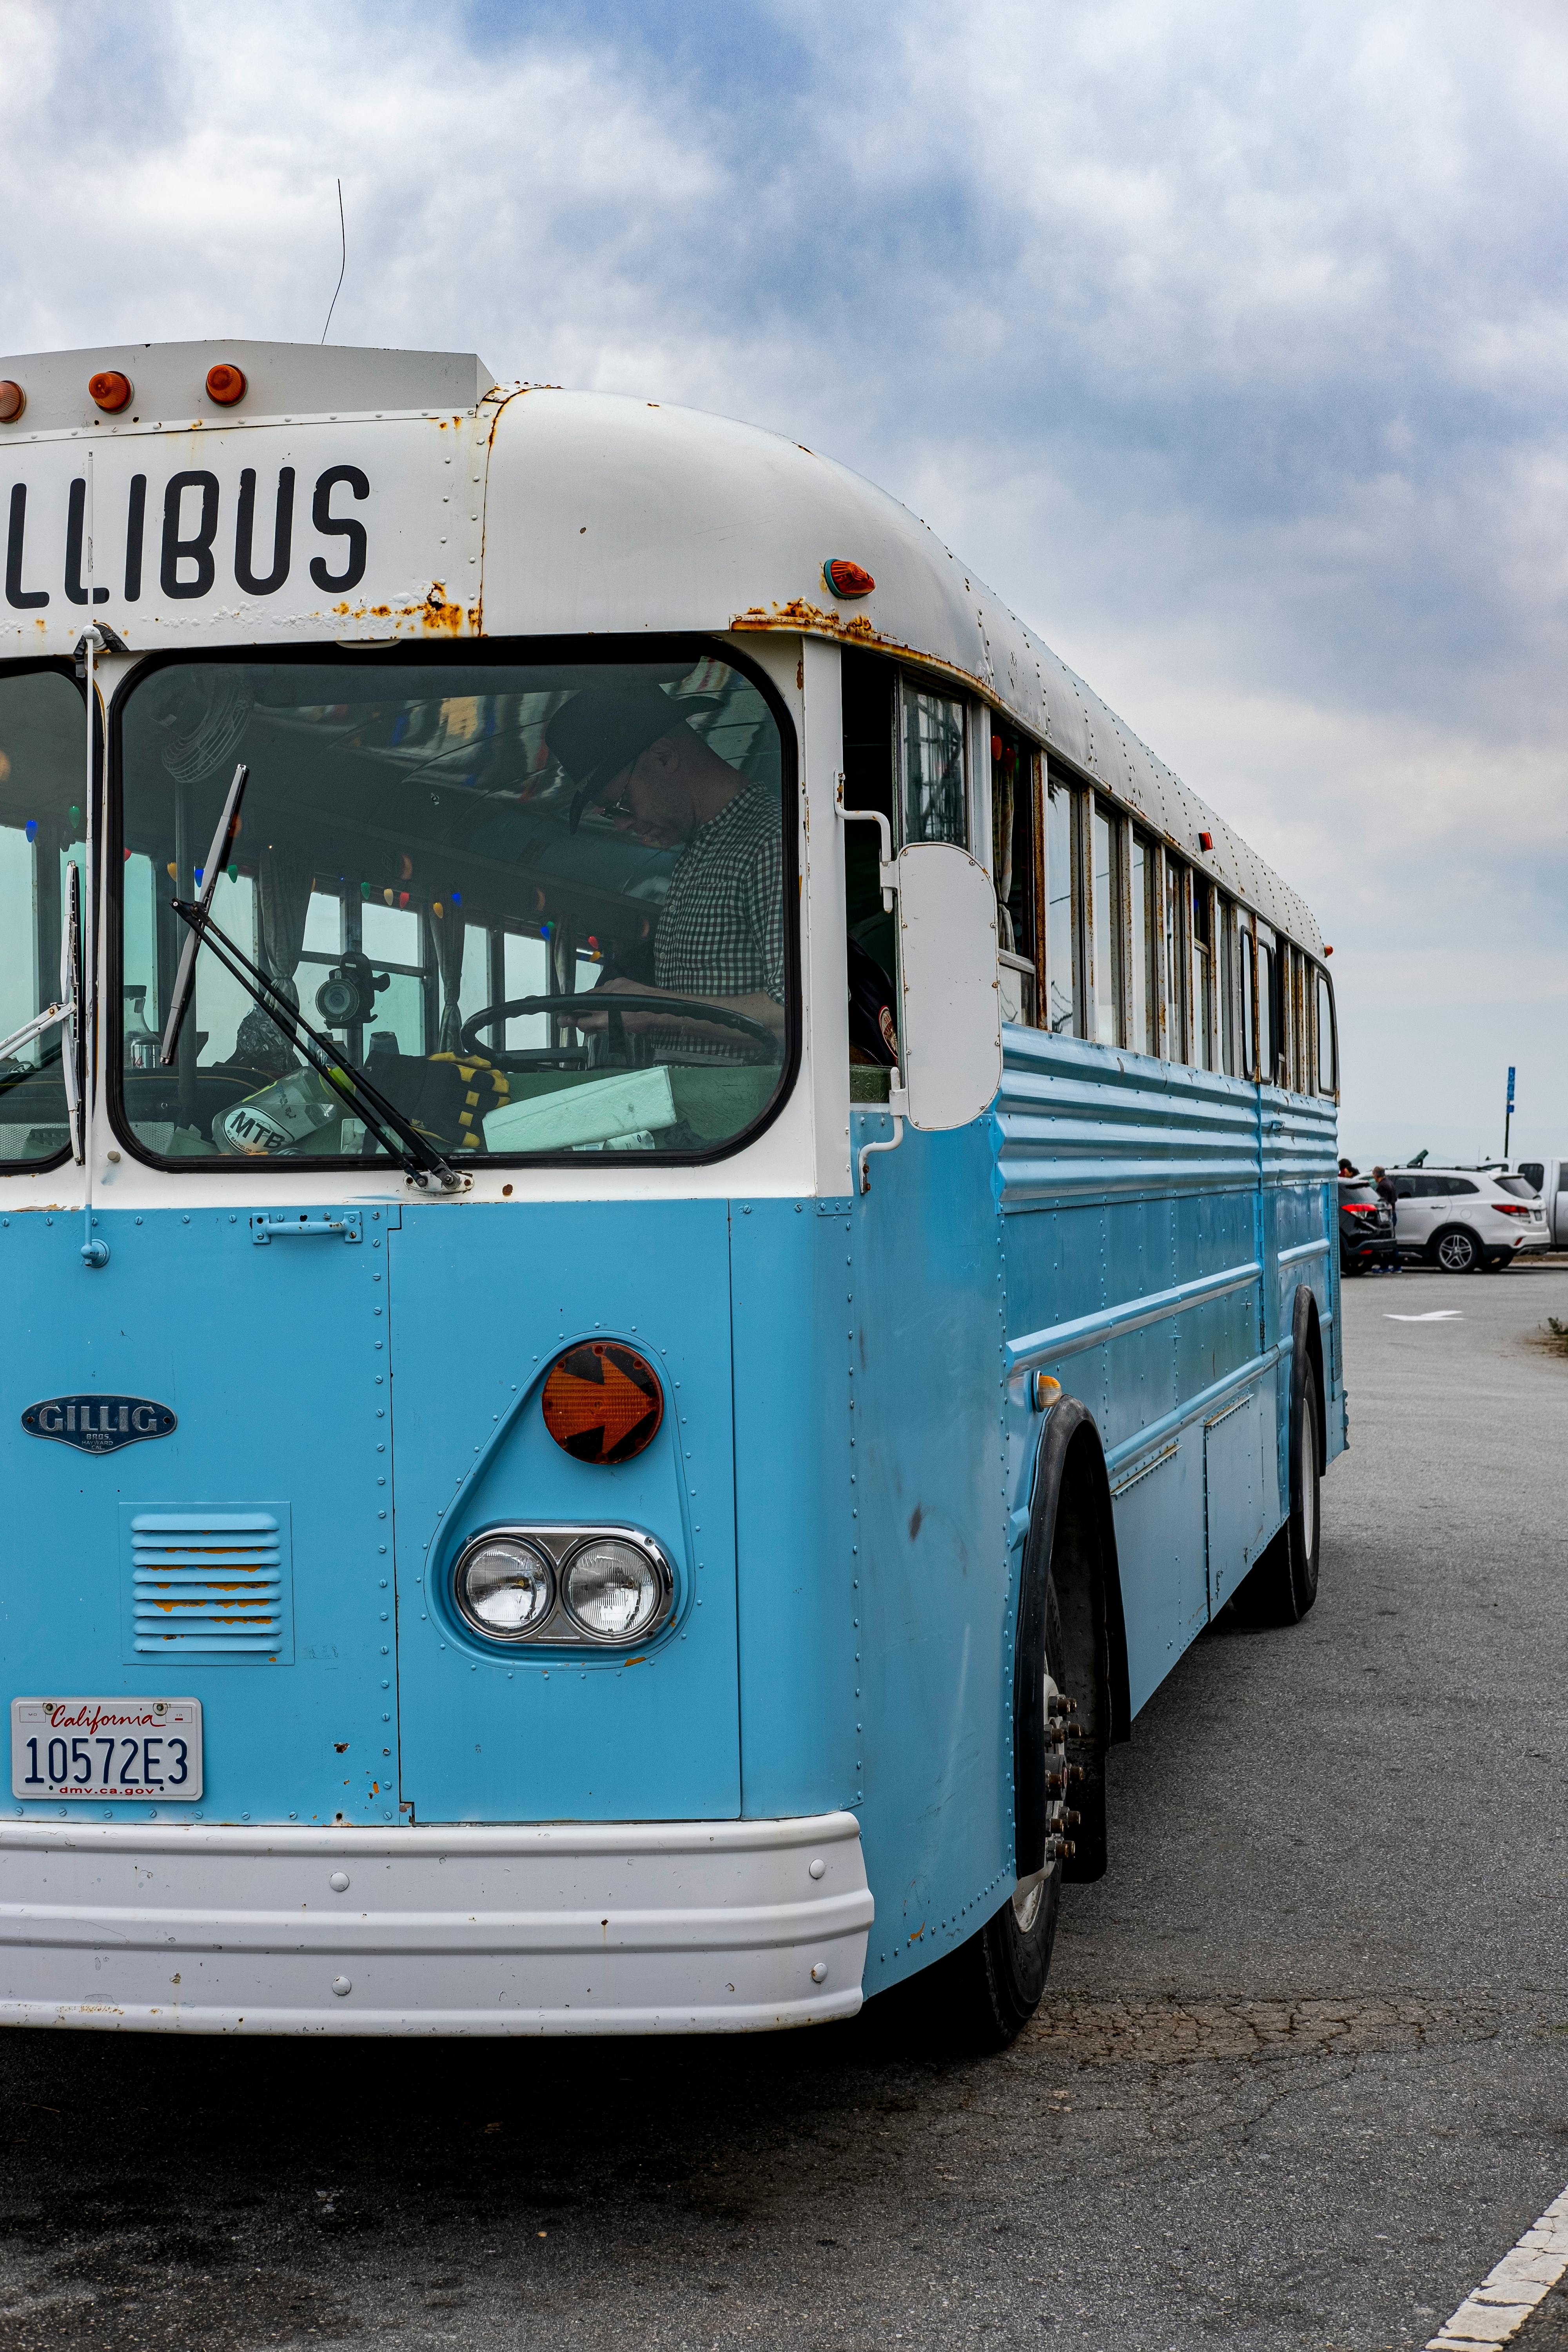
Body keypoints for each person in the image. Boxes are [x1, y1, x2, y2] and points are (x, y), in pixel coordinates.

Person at [543, 680, 785, 1058]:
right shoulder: (700, 850)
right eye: (610, 815)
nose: (622, 825)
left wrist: (654, 1008)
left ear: (664, 757)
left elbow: (796, 1016)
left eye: (620, 805)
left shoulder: (771, 842)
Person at [1372, 1164, 1401, 1269]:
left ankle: (1385, 1267)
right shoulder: (1390, 1183)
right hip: (1393, 1213)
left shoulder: (1381, 1186)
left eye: (1373, 1174)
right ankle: (1396, 1266)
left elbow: (1382, 1203)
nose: (1373, 1177)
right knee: (1391, 1240)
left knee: (1386, 1242)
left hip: (1386, 1216)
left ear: (1376, 1175)